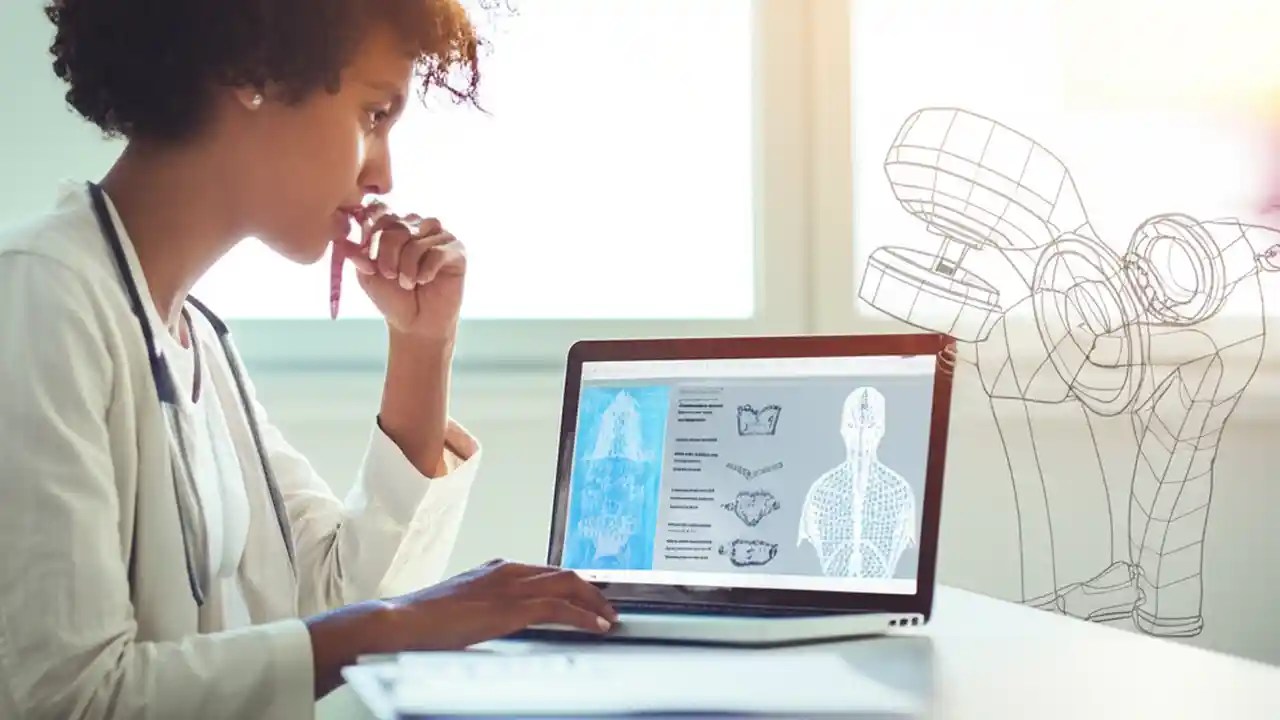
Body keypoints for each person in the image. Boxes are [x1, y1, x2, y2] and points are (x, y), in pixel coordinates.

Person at [0, 1, 617, 717]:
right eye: (373, 115)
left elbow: (333, 596)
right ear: (251, 71)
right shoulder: (42, 295)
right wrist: (408, 623)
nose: (382, 174)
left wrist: (422, 346)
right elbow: (69, 699)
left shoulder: (197, 338)